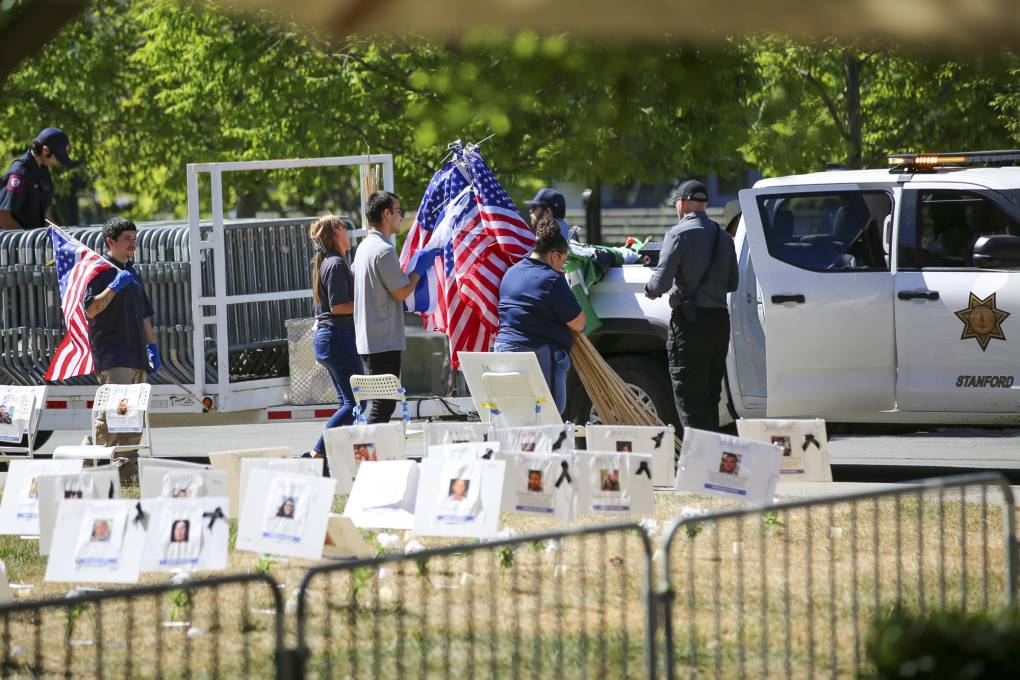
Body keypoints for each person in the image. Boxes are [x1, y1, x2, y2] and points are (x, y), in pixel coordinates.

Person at [644, 180, 738, 434]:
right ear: (704, 204)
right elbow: (732, 283)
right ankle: (710, 461)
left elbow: (659, 284)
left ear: (683, 203)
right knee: (710, 397)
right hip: (719, 324)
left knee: (688, 398)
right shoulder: (724, 238)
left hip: (690, 325)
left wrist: (649, 289)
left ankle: (698, 465)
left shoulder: (678, 234)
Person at [82, 217, 159, 481]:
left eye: (134, 238)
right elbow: (91, 309)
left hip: (136, 352)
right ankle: (99, 466)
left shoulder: (133, 272)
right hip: (113, 353)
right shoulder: (99, 270)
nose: (132, 244)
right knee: (115, 413)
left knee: (133, 416)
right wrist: (113, 287)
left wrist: (152, 348)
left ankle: (127, 473)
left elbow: (145, 315)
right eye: (127, 238)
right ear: (110, 242)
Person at [353, 191, 439, 424]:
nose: (402, 216)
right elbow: (400, 292)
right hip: (383, 341)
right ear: (386, 213)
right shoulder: (384, 250)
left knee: (380, 403)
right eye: (399, 211)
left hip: (369, 338)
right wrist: (419, 270)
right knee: (383, 405)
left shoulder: (364, 247)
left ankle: (370, 454)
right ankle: (369, 454)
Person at [494, 216, 585, 414]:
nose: (563, 266)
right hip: (537, 354)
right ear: (554, 255)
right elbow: (578, 323)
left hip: (503, 350)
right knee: (548, 415)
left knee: (513, 415)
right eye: (564, 260)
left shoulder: (511, 272)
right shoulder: (552, 279)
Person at [306, 215, 362, 457]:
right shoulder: (336, 264)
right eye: (343, 227)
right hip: (337, 337)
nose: (348, 232)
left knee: (347, 404)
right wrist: (365, 303)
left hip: (330, 339)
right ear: (336, 232)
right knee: (357, 403)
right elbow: (339, 306)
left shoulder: (329, 262)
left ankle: (336, 457)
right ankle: (318, 452)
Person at [0, 127, 79, 230]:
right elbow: (2, 216)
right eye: (57, 157)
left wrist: (62, 234)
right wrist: (24, 239)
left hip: (34, 242)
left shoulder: (43, 171)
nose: (58, 162)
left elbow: (44, 216)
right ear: (45, 150)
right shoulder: (19, 172)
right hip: (16, 243)